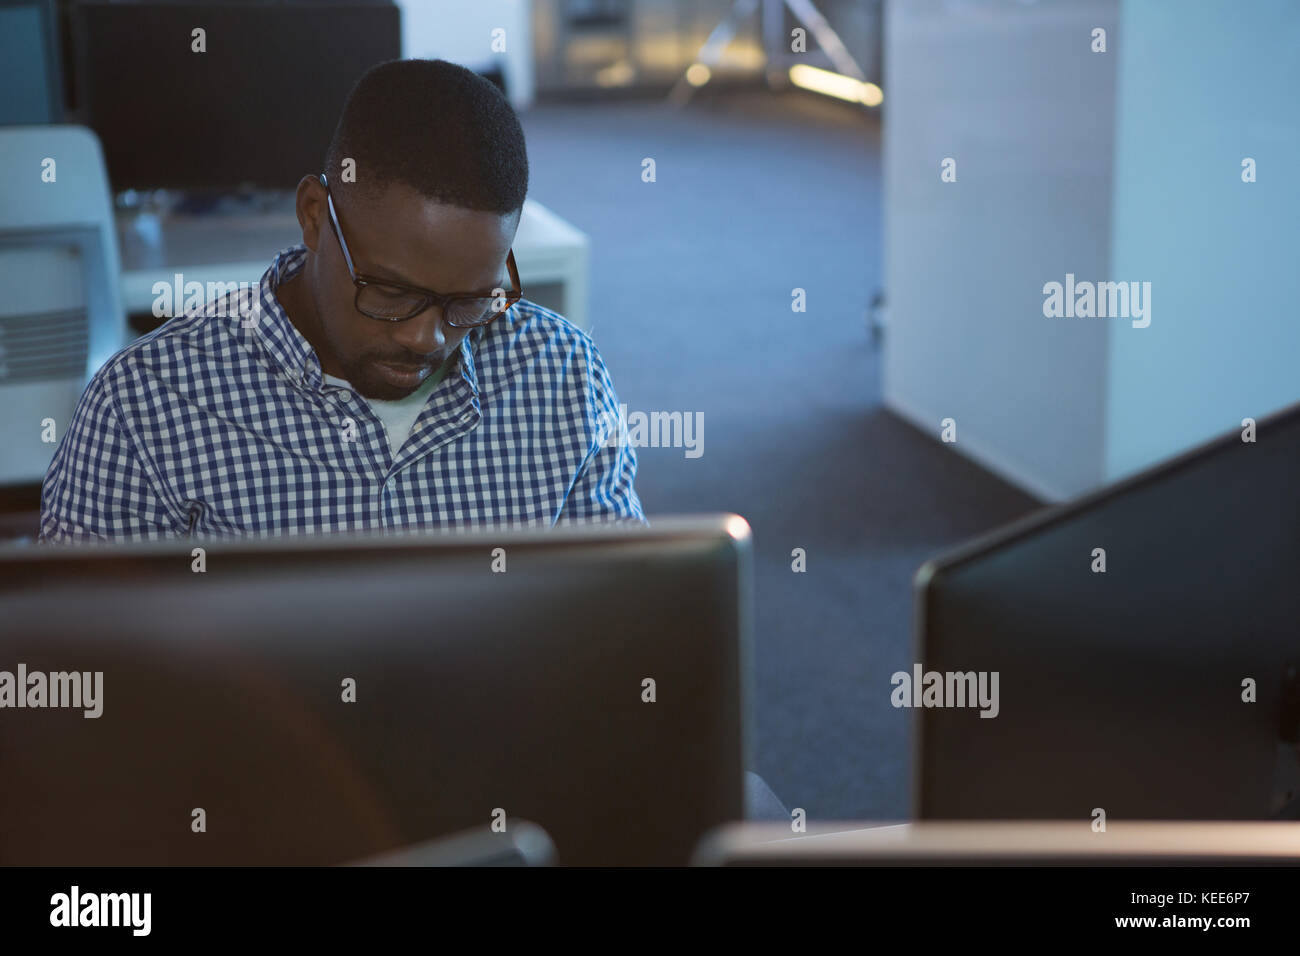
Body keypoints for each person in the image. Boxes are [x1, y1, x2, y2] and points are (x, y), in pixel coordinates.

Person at [39, 59, 642, 543]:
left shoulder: (563, 375)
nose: (426, 338)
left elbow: (622, 621)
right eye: (392, 292)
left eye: (468, 301)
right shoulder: (144, 407)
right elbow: (82, 659)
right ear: (312, 216)